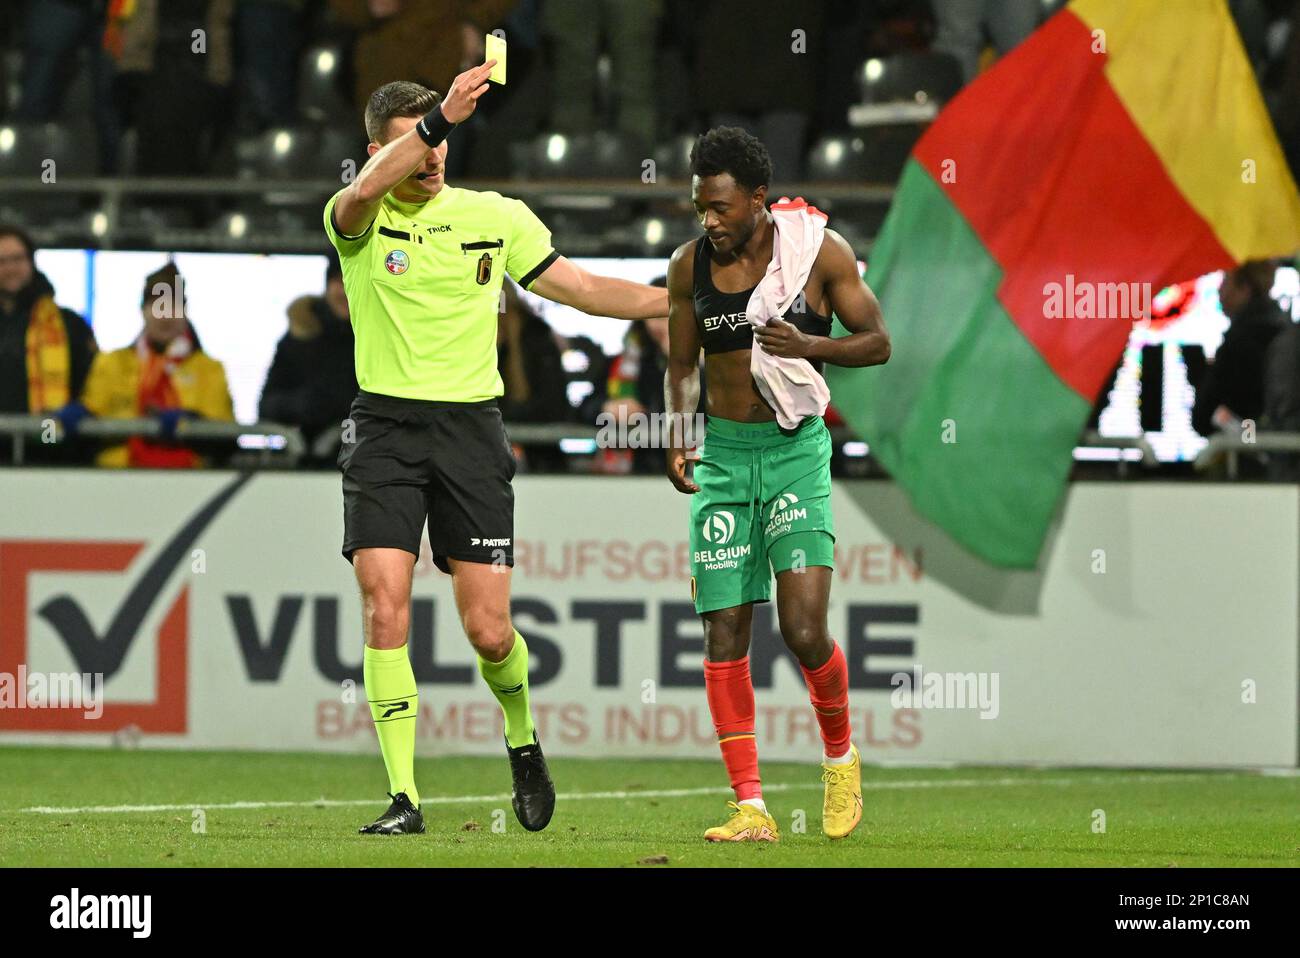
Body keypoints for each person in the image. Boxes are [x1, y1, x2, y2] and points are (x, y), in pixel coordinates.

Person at [324, 67, 668, 835]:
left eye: (441, 141)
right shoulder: (358, 218)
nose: (434, 156)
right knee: (384, 601)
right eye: (414, 143)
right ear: (378, 149)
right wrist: (437, 121)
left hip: (470, 433)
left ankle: (521, 737)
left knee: (488, 630)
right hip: (383, 428)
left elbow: (577, 288)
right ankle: (404, 798)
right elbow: (360, 193)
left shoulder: (495, 215)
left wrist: (679, 297)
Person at [664, 127, 889, 842]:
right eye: (701, 207)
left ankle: (839, 757)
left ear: (759, 200)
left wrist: (813, 345)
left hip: (794, 451)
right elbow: (680, 366)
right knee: (724, 629)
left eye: (723, 207)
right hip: (726, 457)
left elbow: (878, 342)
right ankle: (750, 807)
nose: (710, 221)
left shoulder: (819, 254)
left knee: (801, 628)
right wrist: (677, 431)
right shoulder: (685, 267)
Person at [73, 262, 234, 467]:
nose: (165, 316)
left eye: (172, 306)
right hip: (118, 479)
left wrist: (188, 421)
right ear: (143, 310)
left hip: (190, 482)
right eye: (157, 305)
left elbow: (223, 433)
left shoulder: (209, 369)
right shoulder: (113, 363)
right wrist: (62, 420)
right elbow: (91, 410)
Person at [258, 253, 358, 462]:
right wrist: (304, 405)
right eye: (339, 282)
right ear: (328, 286)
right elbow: (267, 405)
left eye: (354, 281)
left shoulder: (378, 338)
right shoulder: (299, 338)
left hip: (364, 462)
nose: (346, 290)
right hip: (303, 463)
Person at [0, 225, 98, 418]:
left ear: (32, 262)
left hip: (50, 437)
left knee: (48, 436)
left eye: (18, 259)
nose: (11, 268)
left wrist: (83, 409)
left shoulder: (70, 324)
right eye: (2, 261)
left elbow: (95, 383)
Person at [1192, 261, 1287, 440]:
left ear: (1245, 288)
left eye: (1225, 281)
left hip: (1241, 461)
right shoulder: (1285, 332)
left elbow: (1205, 415)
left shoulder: (1239, 343)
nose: (1220, 291)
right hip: (1283, 460)